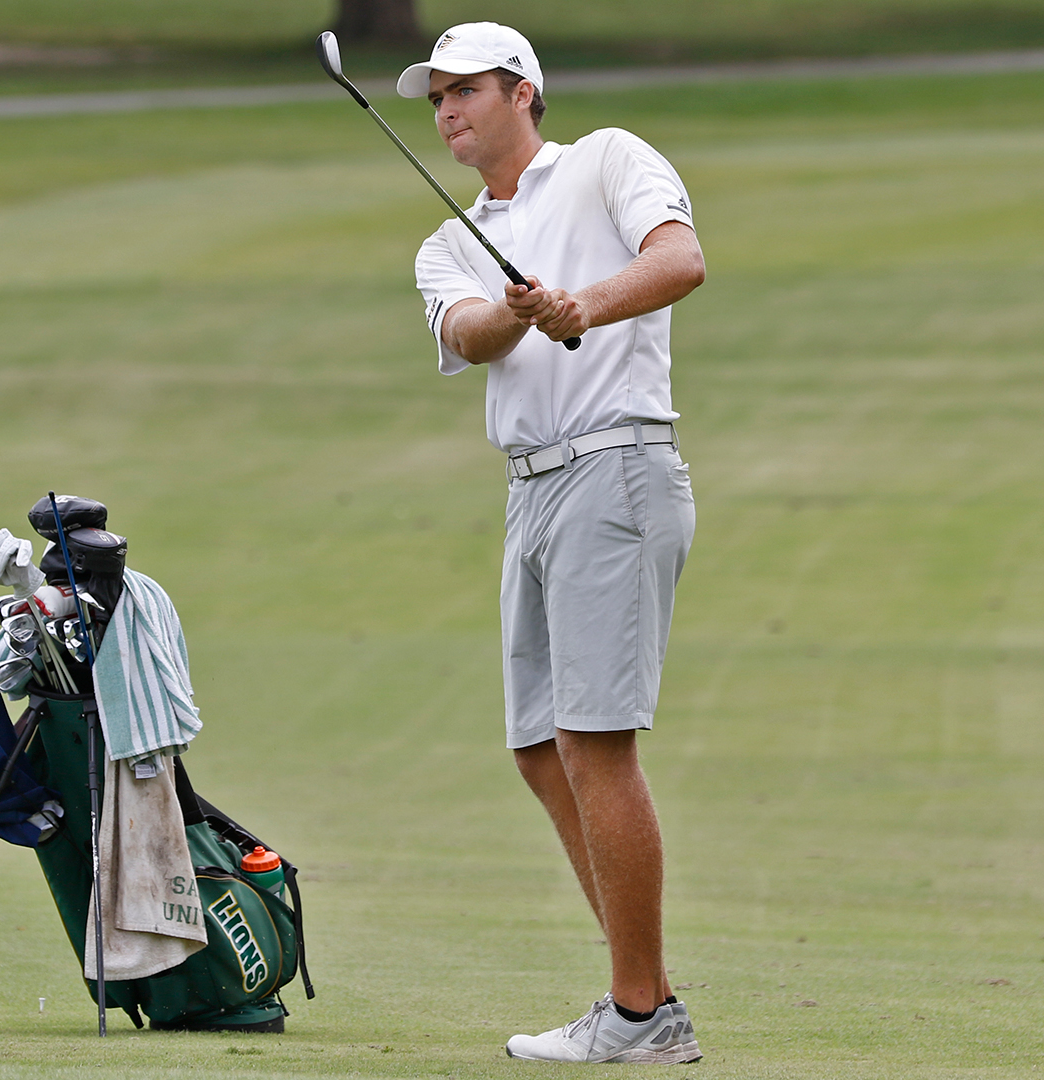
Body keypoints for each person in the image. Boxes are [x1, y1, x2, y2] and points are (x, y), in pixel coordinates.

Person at [402, 22, 706, 1065]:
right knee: (539, 749)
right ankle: (648, 1000)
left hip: (615, 467)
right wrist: (522, 315)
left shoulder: (610, 161)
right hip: (530, 492)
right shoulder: (447, 243)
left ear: (525, 91)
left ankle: (635, 1017)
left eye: (467, 89)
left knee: (592, 740)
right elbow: (468, 335)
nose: (447, 111)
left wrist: (582, 302)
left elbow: (680, 260)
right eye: (436, 96)